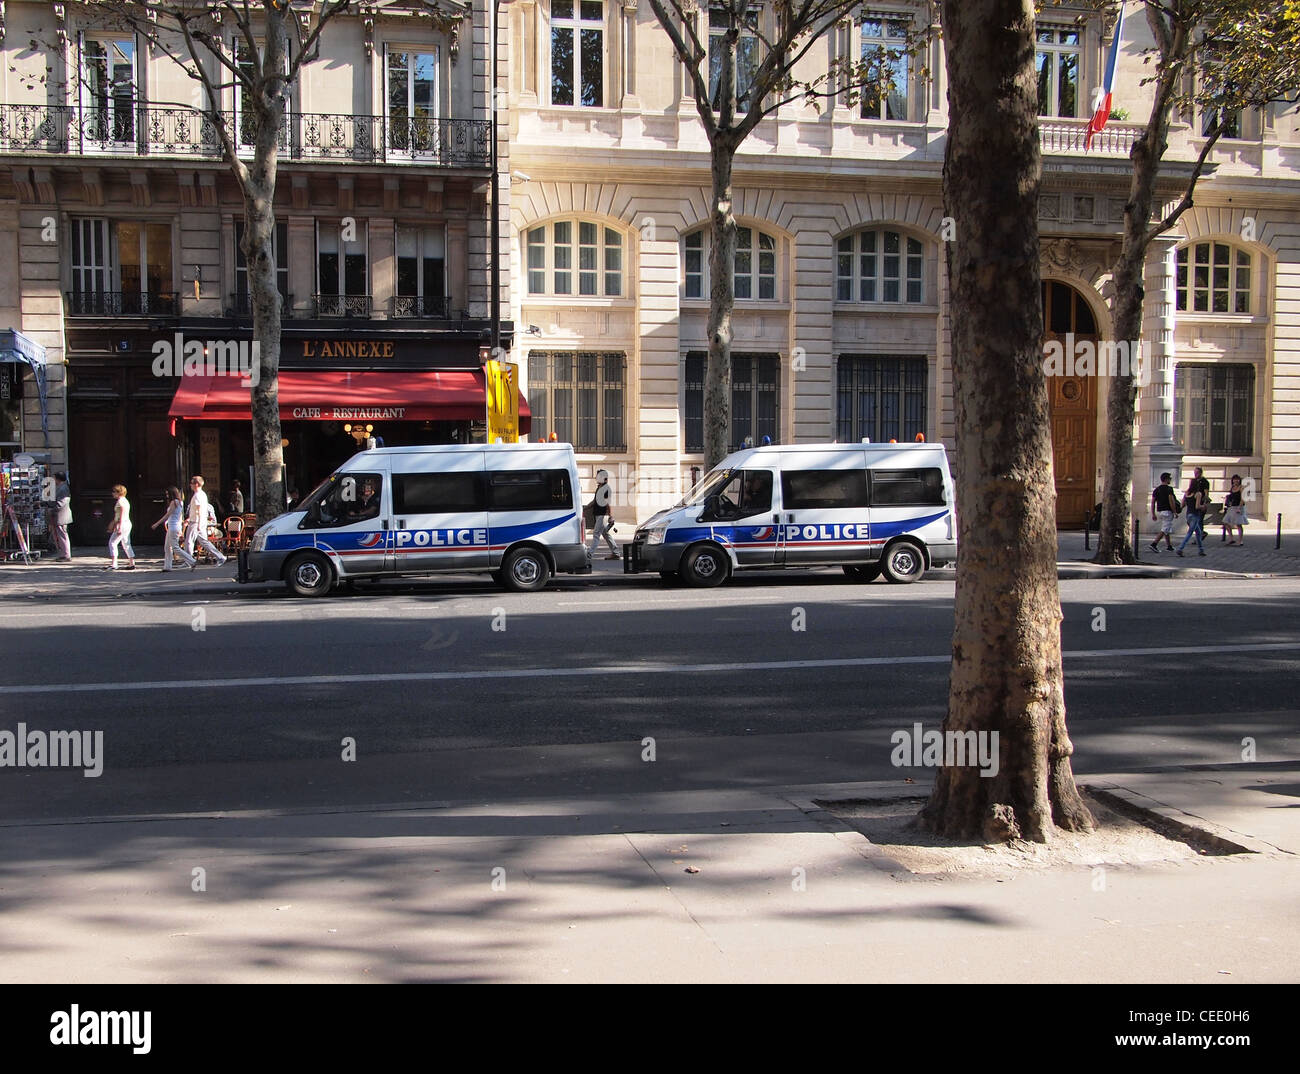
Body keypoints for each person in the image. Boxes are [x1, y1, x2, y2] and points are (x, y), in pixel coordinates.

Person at [184, 475, 227, 566]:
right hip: (200, 521)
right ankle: (220, 557)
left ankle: (189, 561)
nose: (190, 485)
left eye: (191, 483)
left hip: (196, 522)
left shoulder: (197, 496)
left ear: (196, 484)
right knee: (204, 542)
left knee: (189, 541)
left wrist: (199, 524)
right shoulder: (202, 494)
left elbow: (198, 510)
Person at [151, 486, 196, 571]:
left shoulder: (174, 502)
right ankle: (167, 566)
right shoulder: (180, 502)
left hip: (173, 527)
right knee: (167, 547)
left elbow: (167, 515)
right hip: (175, 526)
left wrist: (157, 524)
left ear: (172, 494)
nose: (167, 496)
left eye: (168, 494)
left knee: (175, 547)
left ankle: (192, 561)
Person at [1176, 467, 1210, 557]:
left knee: (1198, 533)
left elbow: (1182, 505)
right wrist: (1203, 506)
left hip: (1188, 515)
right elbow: (1197, 506)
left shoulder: (1186, 493)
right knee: (1190, 533)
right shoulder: (1198, 494)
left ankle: (1201, 550)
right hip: (1195, 515)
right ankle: (1180, 548)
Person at [588, 469, 618, 559]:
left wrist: (610, 516)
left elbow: (608, 503)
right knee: (605, 534)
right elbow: (594, 501)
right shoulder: (599, 488)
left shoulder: (606, 488)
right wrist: (585, 508)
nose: (596, 478)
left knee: (596, 534)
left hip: (602, 515)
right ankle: (615, 553)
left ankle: (589, 554)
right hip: (597, 514)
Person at [106, 484, 136, 570]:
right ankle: (132, 562)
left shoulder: (120, 501)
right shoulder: (125, 500)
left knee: (112, 542)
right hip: (127, 523)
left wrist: (119, 527)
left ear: (118, 492)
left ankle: (114, 564)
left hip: (122, 524)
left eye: (114, 492)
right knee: (126, 543)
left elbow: (122, 514)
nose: (112, 493)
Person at [44, 471, 72, 561]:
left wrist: (52, 510)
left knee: (62, 535)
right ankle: (63, 554)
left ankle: (66, 555)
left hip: (61, 516)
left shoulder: (63, 488)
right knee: (60, 536)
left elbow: (61, 503)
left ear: (58, 479)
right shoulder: (60, 487)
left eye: (55, 478)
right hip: (59, 516)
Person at [1148, 472, 1179, 553]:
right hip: (1168, 511)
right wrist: (1175, 511)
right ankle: (1154, 544)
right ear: (1166, 479)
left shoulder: (1156, 490)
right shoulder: (1169, 489)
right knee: (1165, 529)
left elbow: (1153, 502)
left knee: (1166, 527)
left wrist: (1153, 514)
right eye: (1170, 478)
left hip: (1161, 511)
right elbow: (1171, 500)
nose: (1170, 480)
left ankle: (1169, 546)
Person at [1221, 474, 1249, 545]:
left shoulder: (1241, 487)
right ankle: (1231, 538)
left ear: (1239, 480)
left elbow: (1242, 499)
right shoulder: (1232, 487)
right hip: (1232, 507)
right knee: (1225, 522)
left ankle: (1240, 540)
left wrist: (1239, 508)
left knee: (1238, 524)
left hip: (1239, 507)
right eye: (1234, 479)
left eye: (1237, 479)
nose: (1236, 481)